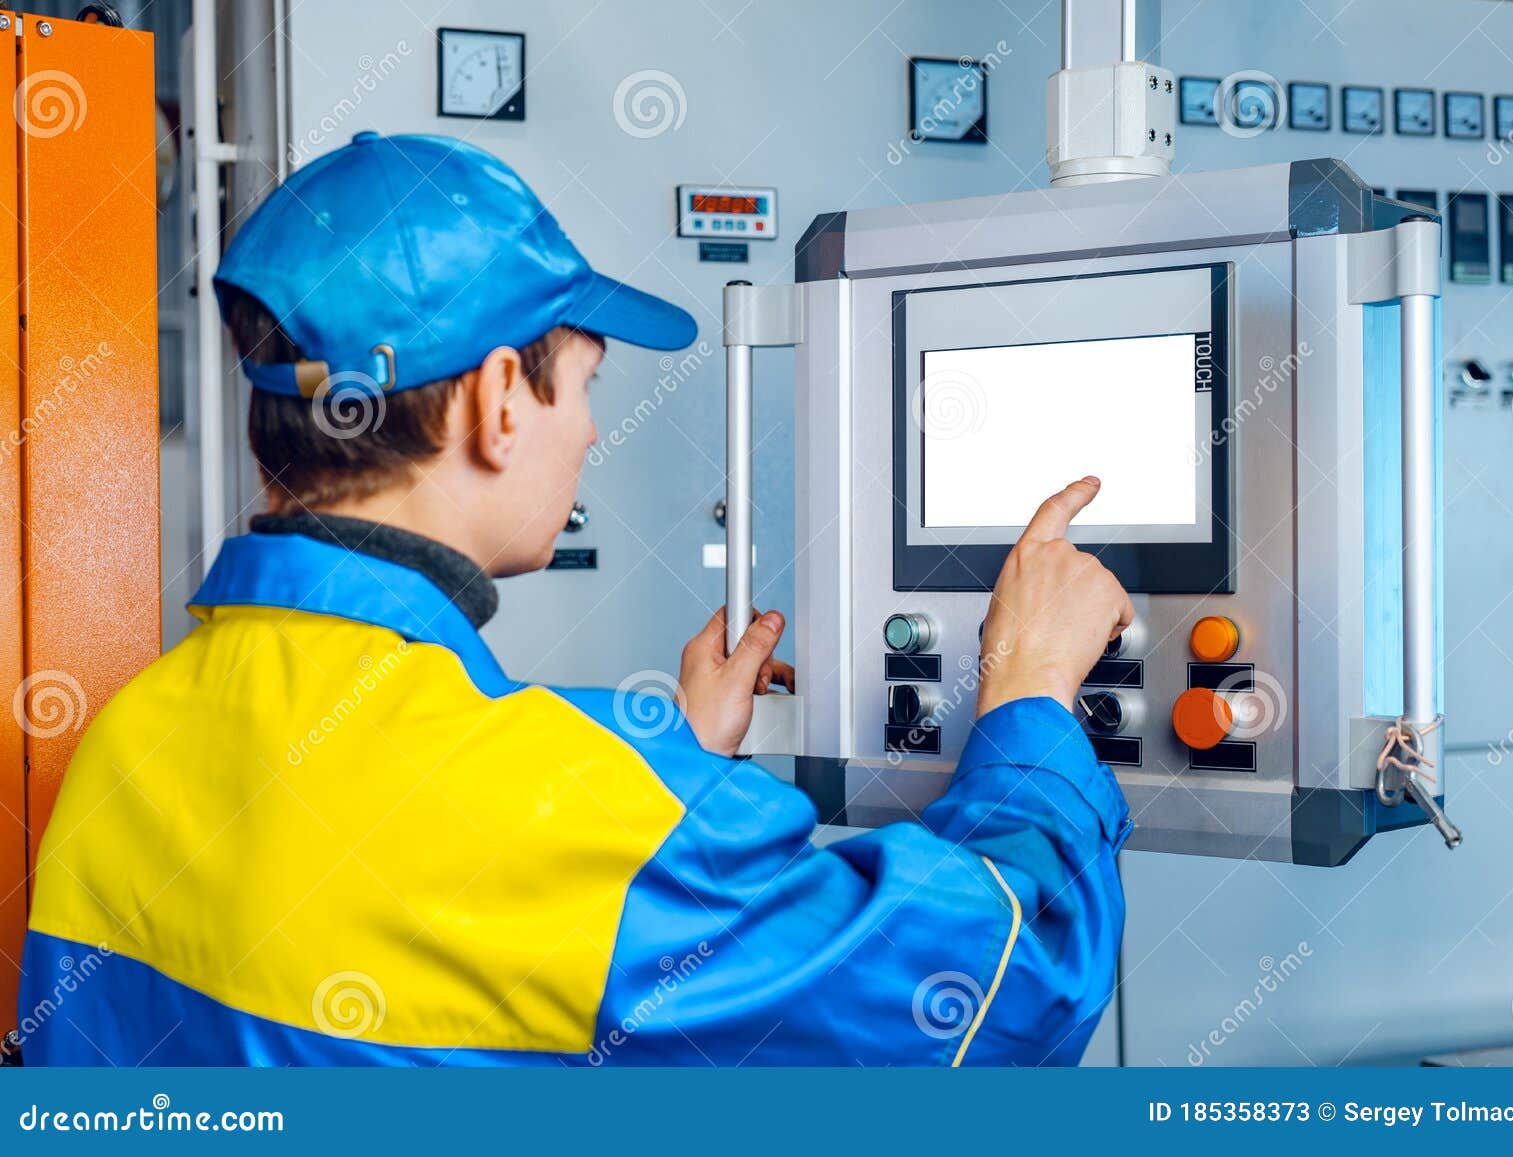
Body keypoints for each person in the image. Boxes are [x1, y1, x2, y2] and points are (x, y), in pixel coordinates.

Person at [17, 132, 1134, 1066]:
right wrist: (1028, 689)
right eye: (587, 382)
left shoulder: (131, 735)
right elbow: (1006, 985)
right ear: (500, 398)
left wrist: (672, 762)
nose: (595, 433)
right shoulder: (559, 815)